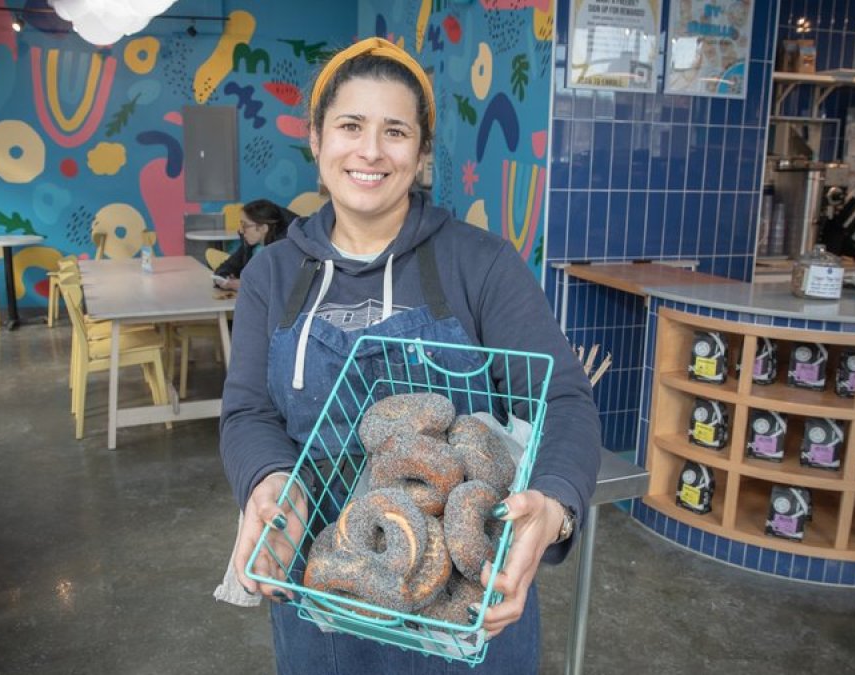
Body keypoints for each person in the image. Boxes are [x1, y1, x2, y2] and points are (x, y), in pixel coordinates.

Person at [219, 38, 602, 674]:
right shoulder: (273, 274)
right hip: (323, 590)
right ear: (316, 141)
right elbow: (248, 414)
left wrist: (556, 505)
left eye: (395, 131)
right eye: (349, 126)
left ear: (422, 154)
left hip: (468, 604)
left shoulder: (481, 263)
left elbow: (563, 399)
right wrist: (267, 482)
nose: (370, 151)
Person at [214, 199, 296, 291]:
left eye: (245, 225)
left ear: (264, 228)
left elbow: (281, 288)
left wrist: (242, 285)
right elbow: (227, 266)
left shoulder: (285, 252)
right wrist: (223, 277)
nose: (241, 231)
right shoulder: (250, 245)